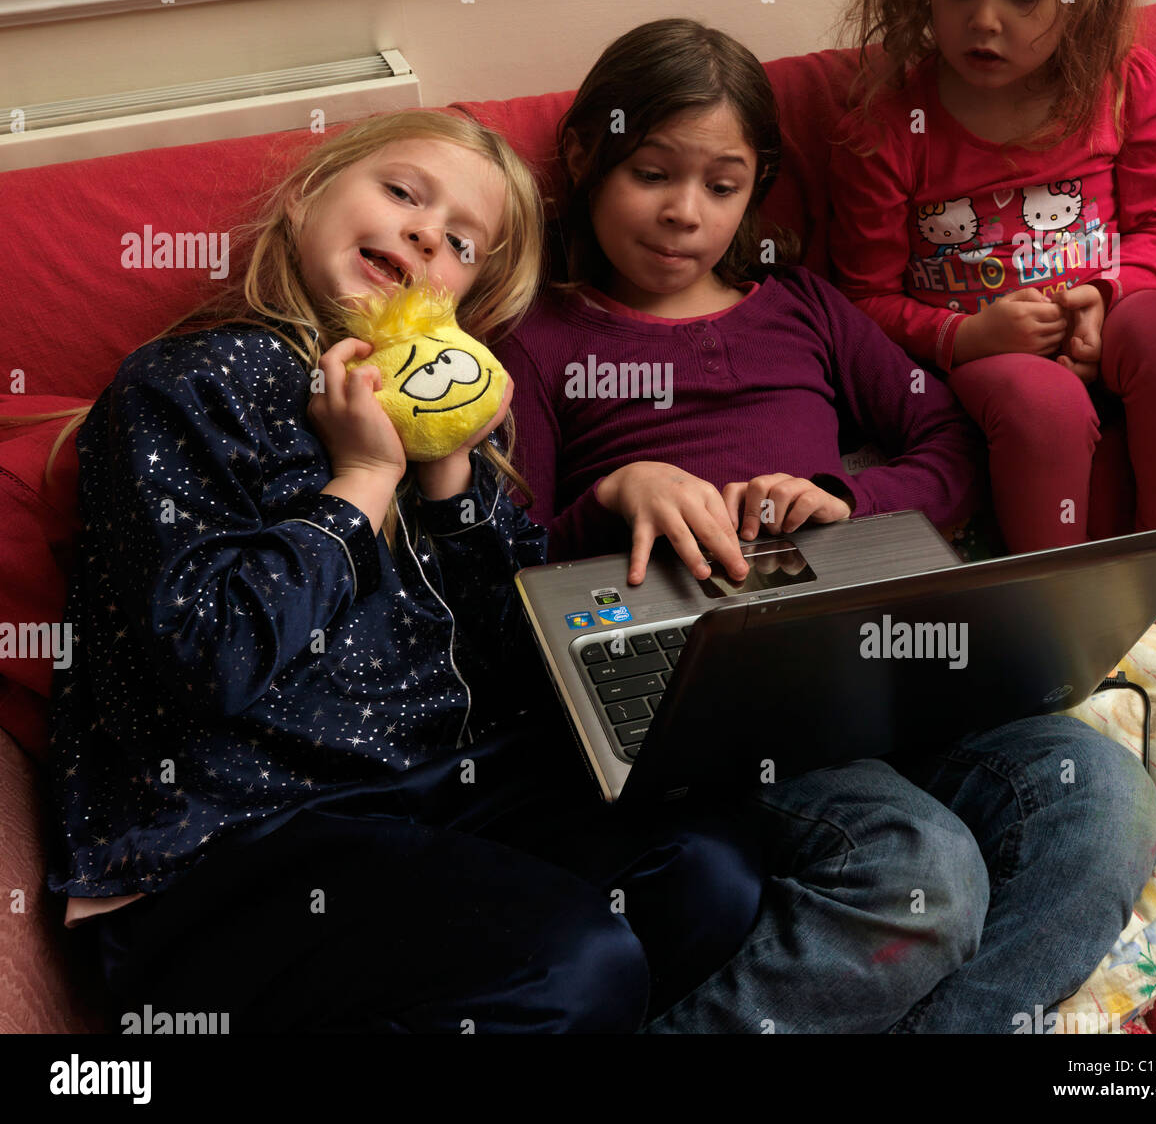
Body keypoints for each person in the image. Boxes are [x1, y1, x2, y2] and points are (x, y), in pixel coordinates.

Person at [496, 17, 1156, 1032]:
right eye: (650, 174)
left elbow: (944, 435)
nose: (684, 215)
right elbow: (498, 561)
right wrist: (614, 494)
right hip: (713, 693)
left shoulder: (799, 308)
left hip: (885, 655)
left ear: (755, 187)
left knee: (1106, 797)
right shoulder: (536, 339)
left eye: (720, 186)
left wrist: (851, 500)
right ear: (586, 154)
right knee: (922, 873)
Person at [44, 109, 767, 1034]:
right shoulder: (186, 383)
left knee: (708, 868)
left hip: (437, 799)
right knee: (571, 961)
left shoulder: (447, 423)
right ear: (306, 198)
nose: (428, 232)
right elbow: (207, 657)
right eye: (401, 193)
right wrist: (362, 482)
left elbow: (522, 672)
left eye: (462, 242)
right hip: (224, 851)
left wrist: (450, 482)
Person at [827, 0, 1156, 636]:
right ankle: (1060, 632)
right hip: (982, 355)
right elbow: (859, 298)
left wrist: (1107, 299)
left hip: (1101, 319)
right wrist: (967, 338)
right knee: (1042, 401)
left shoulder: (1126, 84)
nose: (985, 21)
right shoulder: (890, 124)